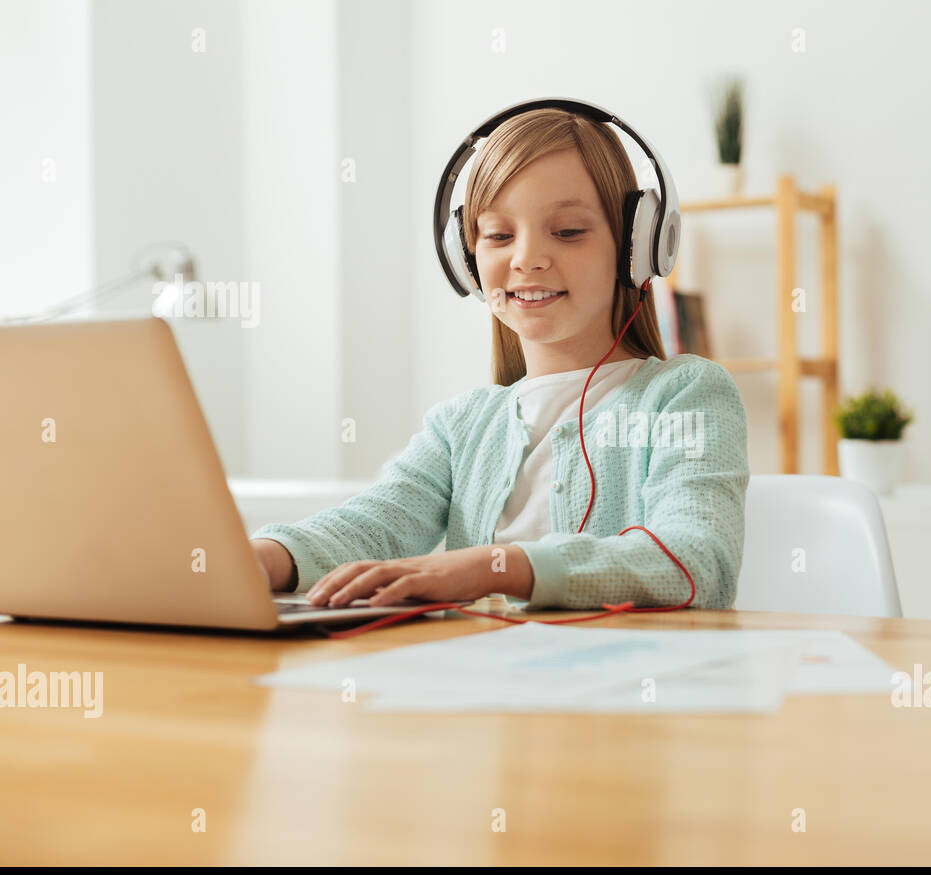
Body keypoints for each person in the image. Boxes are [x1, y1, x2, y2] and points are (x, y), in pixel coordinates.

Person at [249, 106, 748, 610]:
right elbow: (374, 526)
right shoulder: (461, 427)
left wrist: (492, 566)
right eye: (499, 235)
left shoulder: (684, 395)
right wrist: (257, 560)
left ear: (636, 246)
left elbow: (697, 561)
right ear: (466, 259)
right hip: (481, 680)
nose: (526, 259)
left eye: (569, 231)